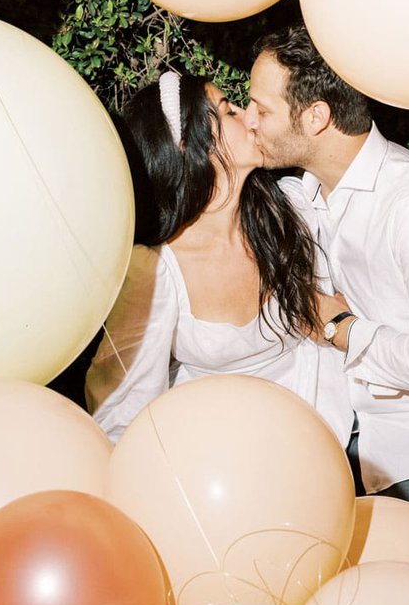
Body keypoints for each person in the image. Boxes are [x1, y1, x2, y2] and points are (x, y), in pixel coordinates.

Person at [245, 26, 409, 537]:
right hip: (370, 441)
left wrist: (342, 328)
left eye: (262, 109)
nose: (250, 121)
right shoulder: (312, 192)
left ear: (316, 116)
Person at [85, 68, 353, 444]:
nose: (249, 116)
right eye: (228, 111)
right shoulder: (157, 269)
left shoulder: (293, 206)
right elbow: (122, 410)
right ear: (188, 147)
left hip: (335, 433)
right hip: (227, 461)